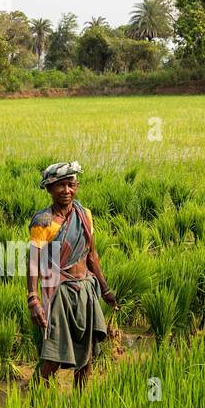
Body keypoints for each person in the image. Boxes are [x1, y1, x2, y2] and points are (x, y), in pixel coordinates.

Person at [27, 161, 117, 390]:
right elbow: (34, 262)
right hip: (59, 291)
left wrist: (105, 290)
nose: (67, 190)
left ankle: (80, 403)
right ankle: (32, 395)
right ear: (49, 188)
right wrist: (33, 299)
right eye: (60, 186)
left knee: (86, 355)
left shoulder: (84, 214)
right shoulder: (43, 221)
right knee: (54, 355)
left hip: (86, 288)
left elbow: (92, 255)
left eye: (71, 184)